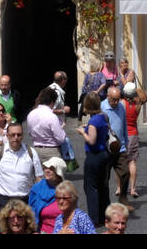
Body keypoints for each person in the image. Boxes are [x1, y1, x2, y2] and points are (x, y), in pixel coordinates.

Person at [0, 121, 42, 222]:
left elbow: (39, 179)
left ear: (22, 135)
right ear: (7, 135)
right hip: (3, 201)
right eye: (12, 135)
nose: (16, 137)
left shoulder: (31, 153)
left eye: (18, 135)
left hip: (25, 201)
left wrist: (38, 204)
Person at [77, 92, 110, 227]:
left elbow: (91, 140)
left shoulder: (93, 121)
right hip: (104, 154)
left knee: (91, 187)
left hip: (94, 156)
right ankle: (105, 216)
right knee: (103, 186)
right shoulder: (103, 117)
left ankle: (94, 219)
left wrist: (82, 132)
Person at [100, 84, 128, 206]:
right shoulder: (101, 108)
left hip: (120, 148)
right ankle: (105, 203)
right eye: (113, 100)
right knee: (104, 178)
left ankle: (123, 198)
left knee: (125, 173)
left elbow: (124, 125)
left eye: (118, 99)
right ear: (107, 96)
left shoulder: (121, 106)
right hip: (106, 149)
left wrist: (126, 142)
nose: (116, 102)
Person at [28, 87, 69, 169]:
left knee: (39, 178)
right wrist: (61, 128)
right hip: (51, 151)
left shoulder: (31, 114)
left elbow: (30, 133)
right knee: (54, 179)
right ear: (52, 101)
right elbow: (60, 138)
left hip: (36, 150)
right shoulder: (52, 117)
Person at [120, 80, 147, 200]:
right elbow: (143, 97)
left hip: (122, 134)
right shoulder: (138, 105)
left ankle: (119, 188)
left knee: (120, 162)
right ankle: (132, 188)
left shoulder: (121, 104)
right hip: (133, 134)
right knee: (132, 162)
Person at [27, 157, 66, 235]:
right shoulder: (37, 188)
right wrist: (34, 231)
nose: (47, 171)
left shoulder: (66, 189)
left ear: (58, 172)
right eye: (45, 168)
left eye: (51, 168)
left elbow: (73, 214)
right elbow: (31, 213)